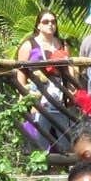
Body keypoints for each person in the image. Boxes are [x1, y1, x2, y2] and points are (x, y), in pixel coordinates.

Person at [15, 10, 72, 148]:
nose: (50, 25)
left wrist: (71, 89)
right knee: (39, 133)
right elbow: (21, 71)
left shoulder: (63, 44)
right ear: (38, 25)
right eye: (46, 22)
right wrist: (23, 94)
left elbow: (70, 68)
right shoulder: (29, 45)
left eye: (53, 22)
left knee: (63, 134)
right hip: (37, 94)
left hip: (59, 95)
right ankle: (39, 165)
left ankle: (63, 164)